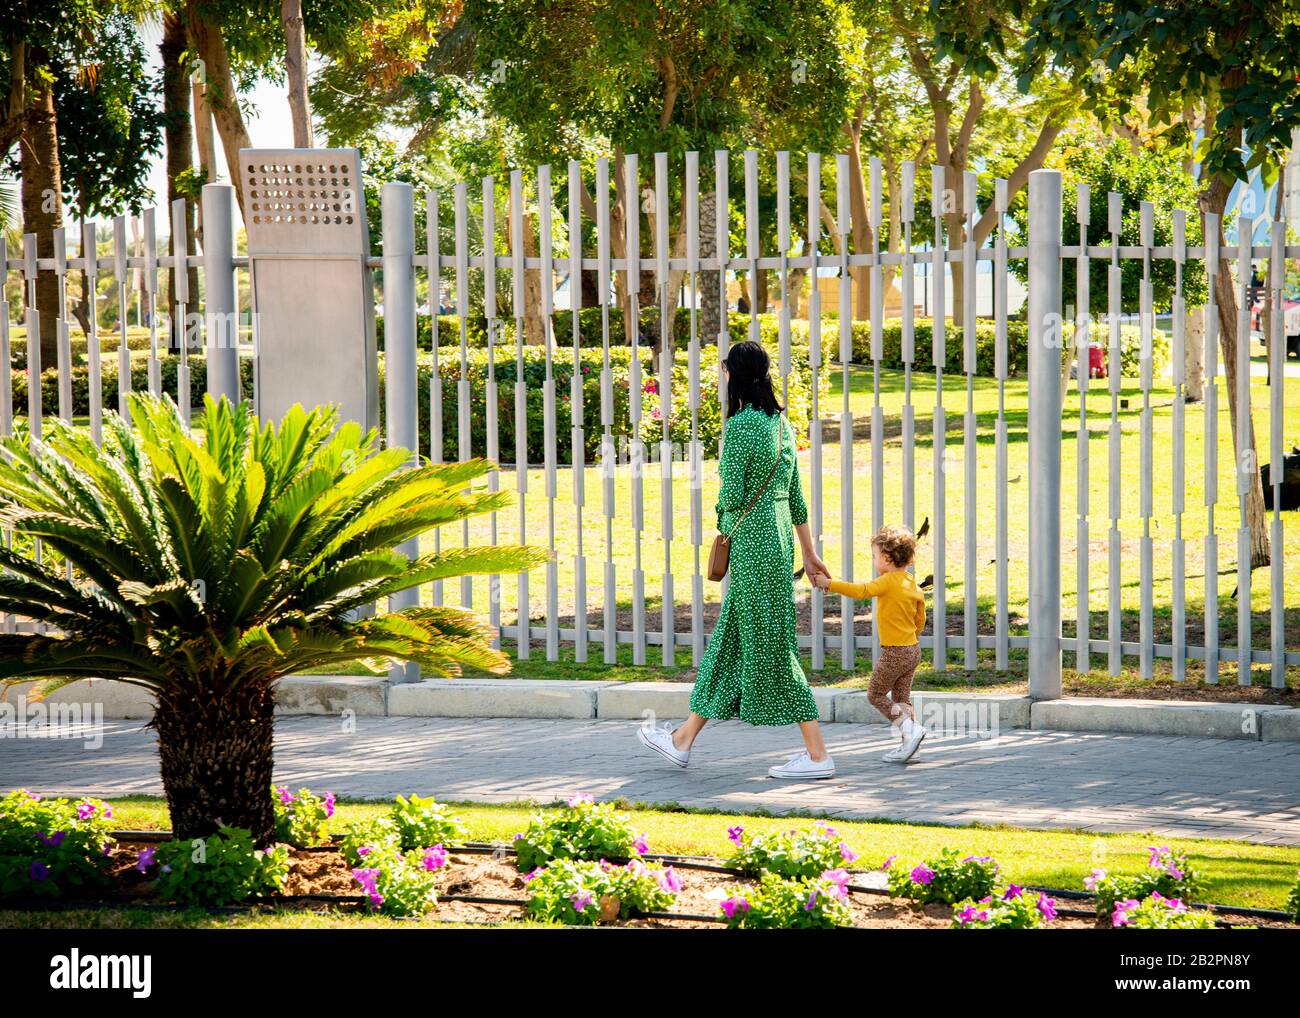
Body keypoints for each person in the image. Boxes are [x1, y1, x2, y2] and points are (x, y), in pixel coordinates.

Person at [637, 340, 835, 779]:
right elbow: (796, 498)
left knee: (773, 648)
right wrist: (809, 551)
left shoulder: (743, 426)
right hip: (779, 541)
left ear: (732, 374)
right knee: (733, 641)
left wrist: (723, 522)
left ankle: (819, 756)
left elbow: (730, 496)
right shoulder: (781, 425)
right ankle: (682, 741)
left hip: (753, 543)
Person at [813, 524, 927, 762]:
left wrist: (829, 583)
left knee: (875, 694)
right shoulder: (911, 582)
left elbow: (862, 591)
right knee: (901, 698)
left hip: (896, 652)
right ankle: (910, 746)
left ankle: (909, 729)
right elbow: (920, 619)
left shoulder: (888, 581)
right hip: (913, 649)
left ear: (886, 558)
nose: (875, 561)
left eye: (875, 556)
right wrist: (910, 635)